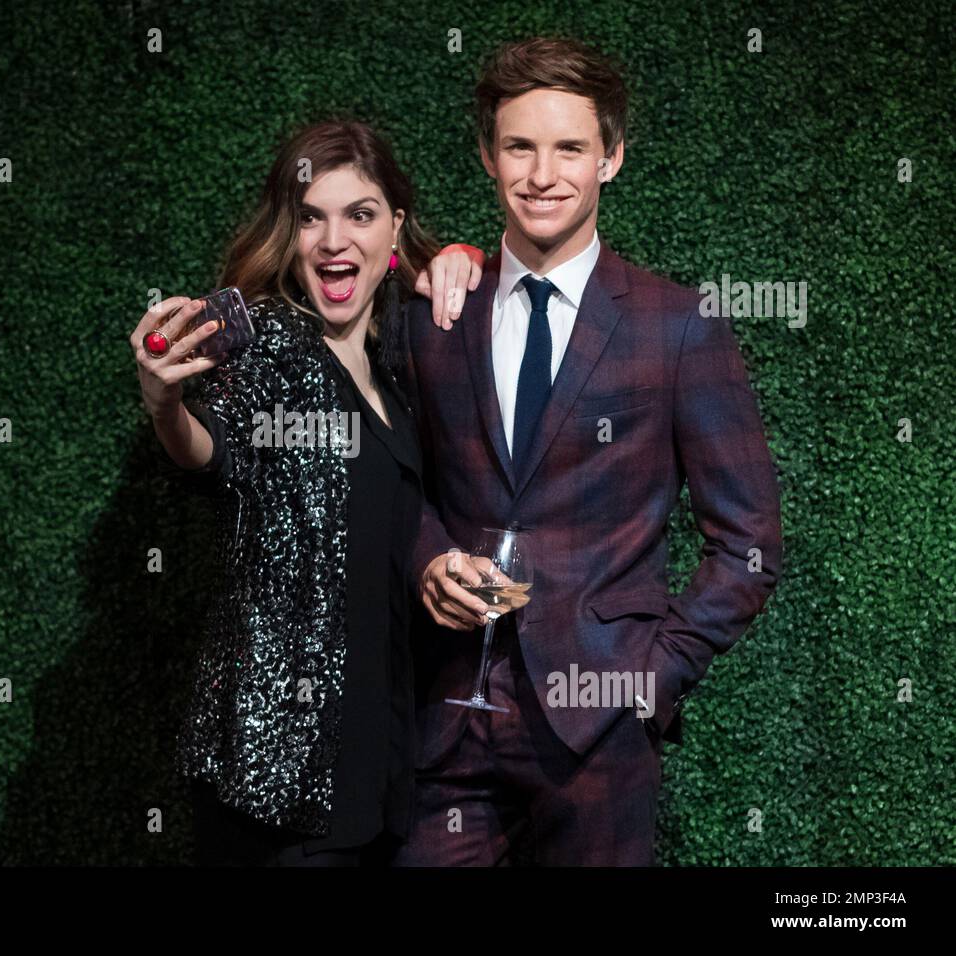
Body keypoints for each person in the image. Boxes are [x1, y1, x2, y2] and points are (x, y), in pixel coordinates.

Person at [394, 36, 784, 865]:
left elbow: (748, 540)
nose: (543, 174)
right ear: (487, 158)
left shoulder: (678, 325)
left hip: (599, 731)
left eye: (570, 147)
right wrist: (429, 559)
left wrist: (653, 678)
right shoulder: (436, 317)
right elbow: (402, 485)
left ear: (610, 158)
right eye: (519, 147)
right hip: (448, 718)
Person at [130, 118, 471, 866]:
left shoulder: (392, 369)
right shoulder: (272, 348)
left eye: (360, 215)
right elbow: (213, 446)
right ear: (289, 233)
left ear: (394, 229)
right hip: (277, 778)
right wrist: (165, 406)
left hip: (376, 763)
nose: (333, 240)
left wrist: (457, 258)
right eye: (311, 216)